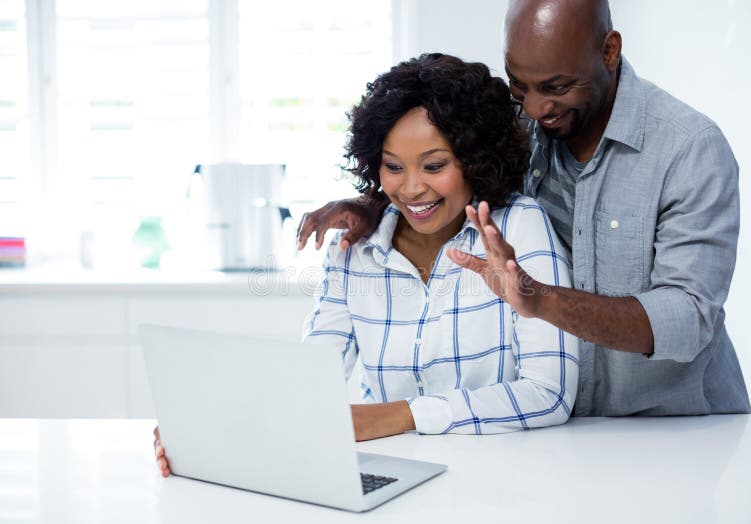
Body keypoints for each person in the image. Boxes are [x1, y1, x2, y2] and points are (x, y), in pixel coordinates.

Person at [297, 0, 751, 417]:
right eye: (518, 84)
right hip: (565, 433)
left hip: (677, 425)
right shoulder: (523, 125)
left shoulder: (687, 149)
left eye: (556, 86)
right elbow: (439, 173)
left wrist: (540, 300)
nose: (533, 108)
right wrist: (372, 205)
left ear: (609, 51)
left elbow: (687, 318)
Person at [154, 53, 578, 477]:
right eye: (393, 167)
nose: (411, 188)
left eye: (434, 166)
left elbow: (549, 393)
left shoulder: (519, 228)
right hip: (392, 472)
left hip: (503, 477)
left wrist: (400, 416)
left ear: (474, 159)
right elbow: (308, 380)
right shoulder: (354, 245)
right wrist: (210, 424)